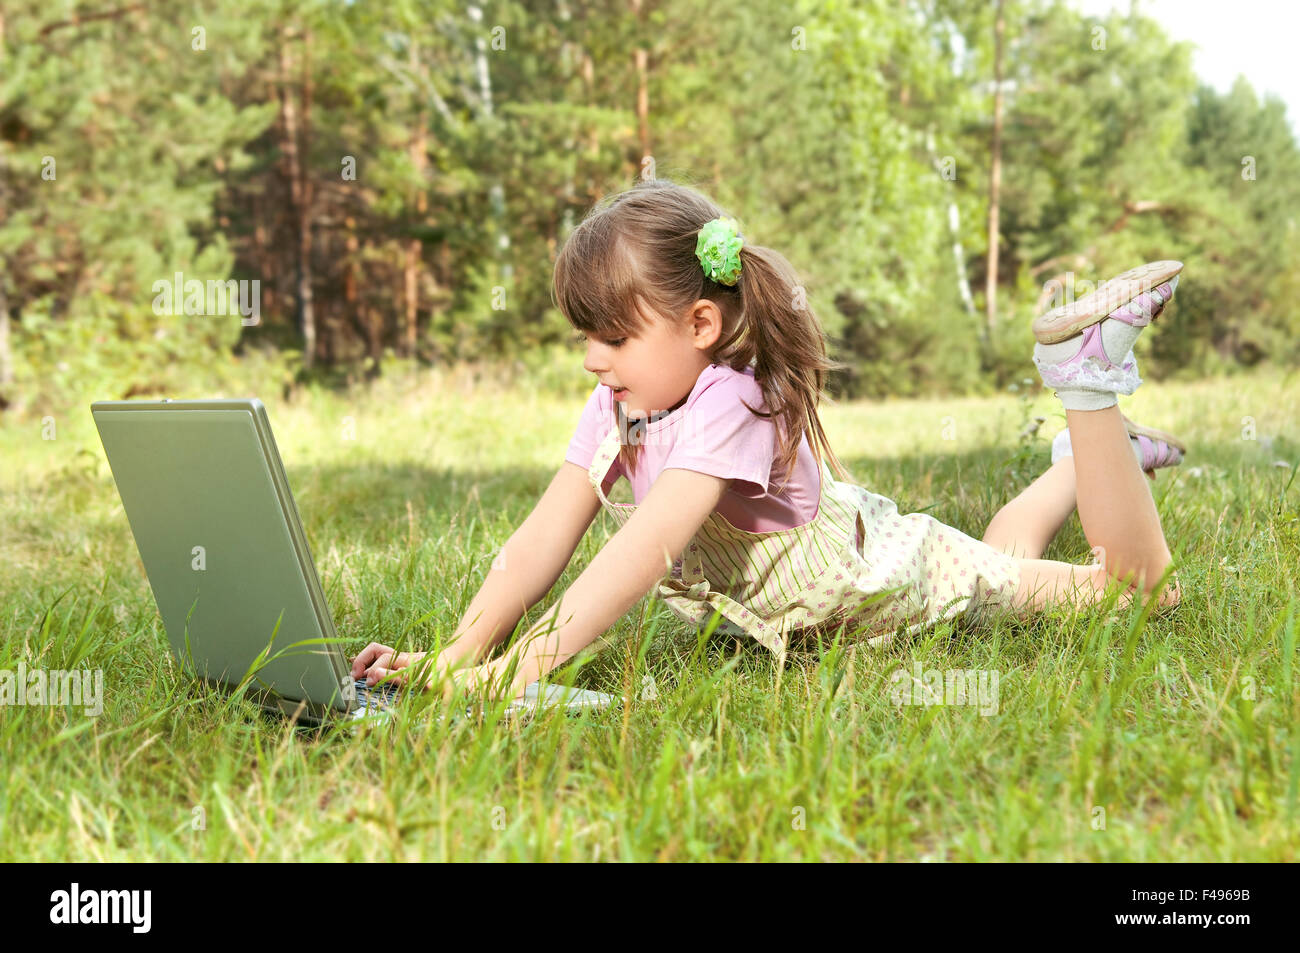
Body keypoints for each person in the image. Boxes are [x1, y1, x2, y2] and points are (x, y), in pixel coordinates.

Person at [350, 179, 1185, 704]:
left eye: (610, 335)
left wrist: (522, 666)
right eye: (584, 336)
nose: (590, 358)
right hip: (855, 601)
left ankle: (1084, 383)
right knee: (1007, 559)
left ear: (701, 323)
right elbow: (541, 538)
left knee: (1134, 593)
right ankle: (1077, 465)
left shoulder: (730, 400)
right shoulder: (618, 403)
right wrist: (455, 655)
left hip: (894, 575)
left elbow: (640, 551)